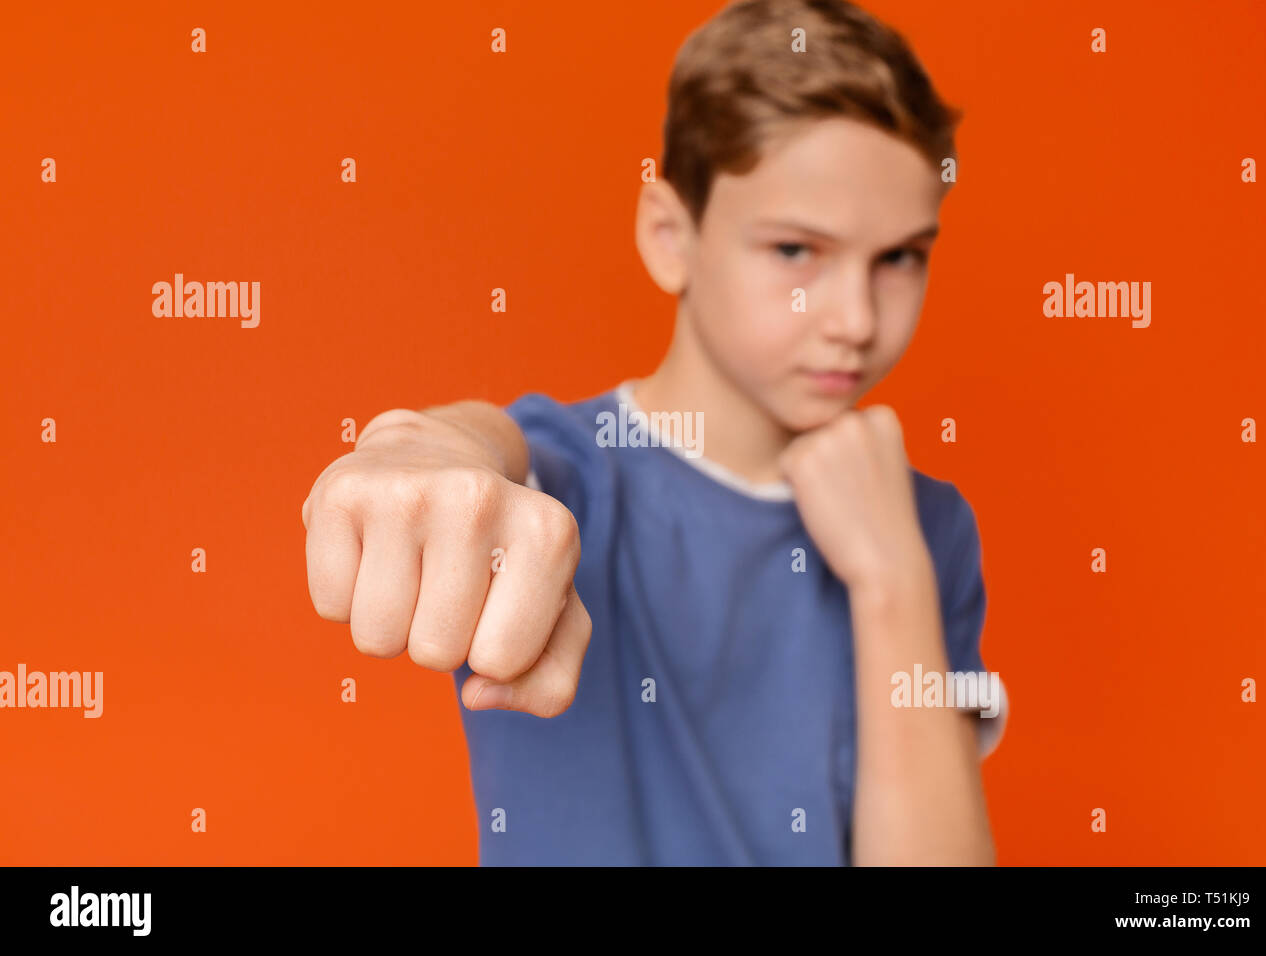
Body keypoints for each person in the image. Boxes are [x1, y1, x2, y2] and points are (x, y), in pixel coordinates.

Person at [301, 0, 1007, 865]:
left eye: (899, 257)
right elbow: (486, 451)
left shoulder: (929, 528)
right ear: (670, 236)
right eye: (795, 251)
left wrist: (892, 576)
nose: (856, 319)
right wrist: (419, 448)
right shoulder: (571, 481)